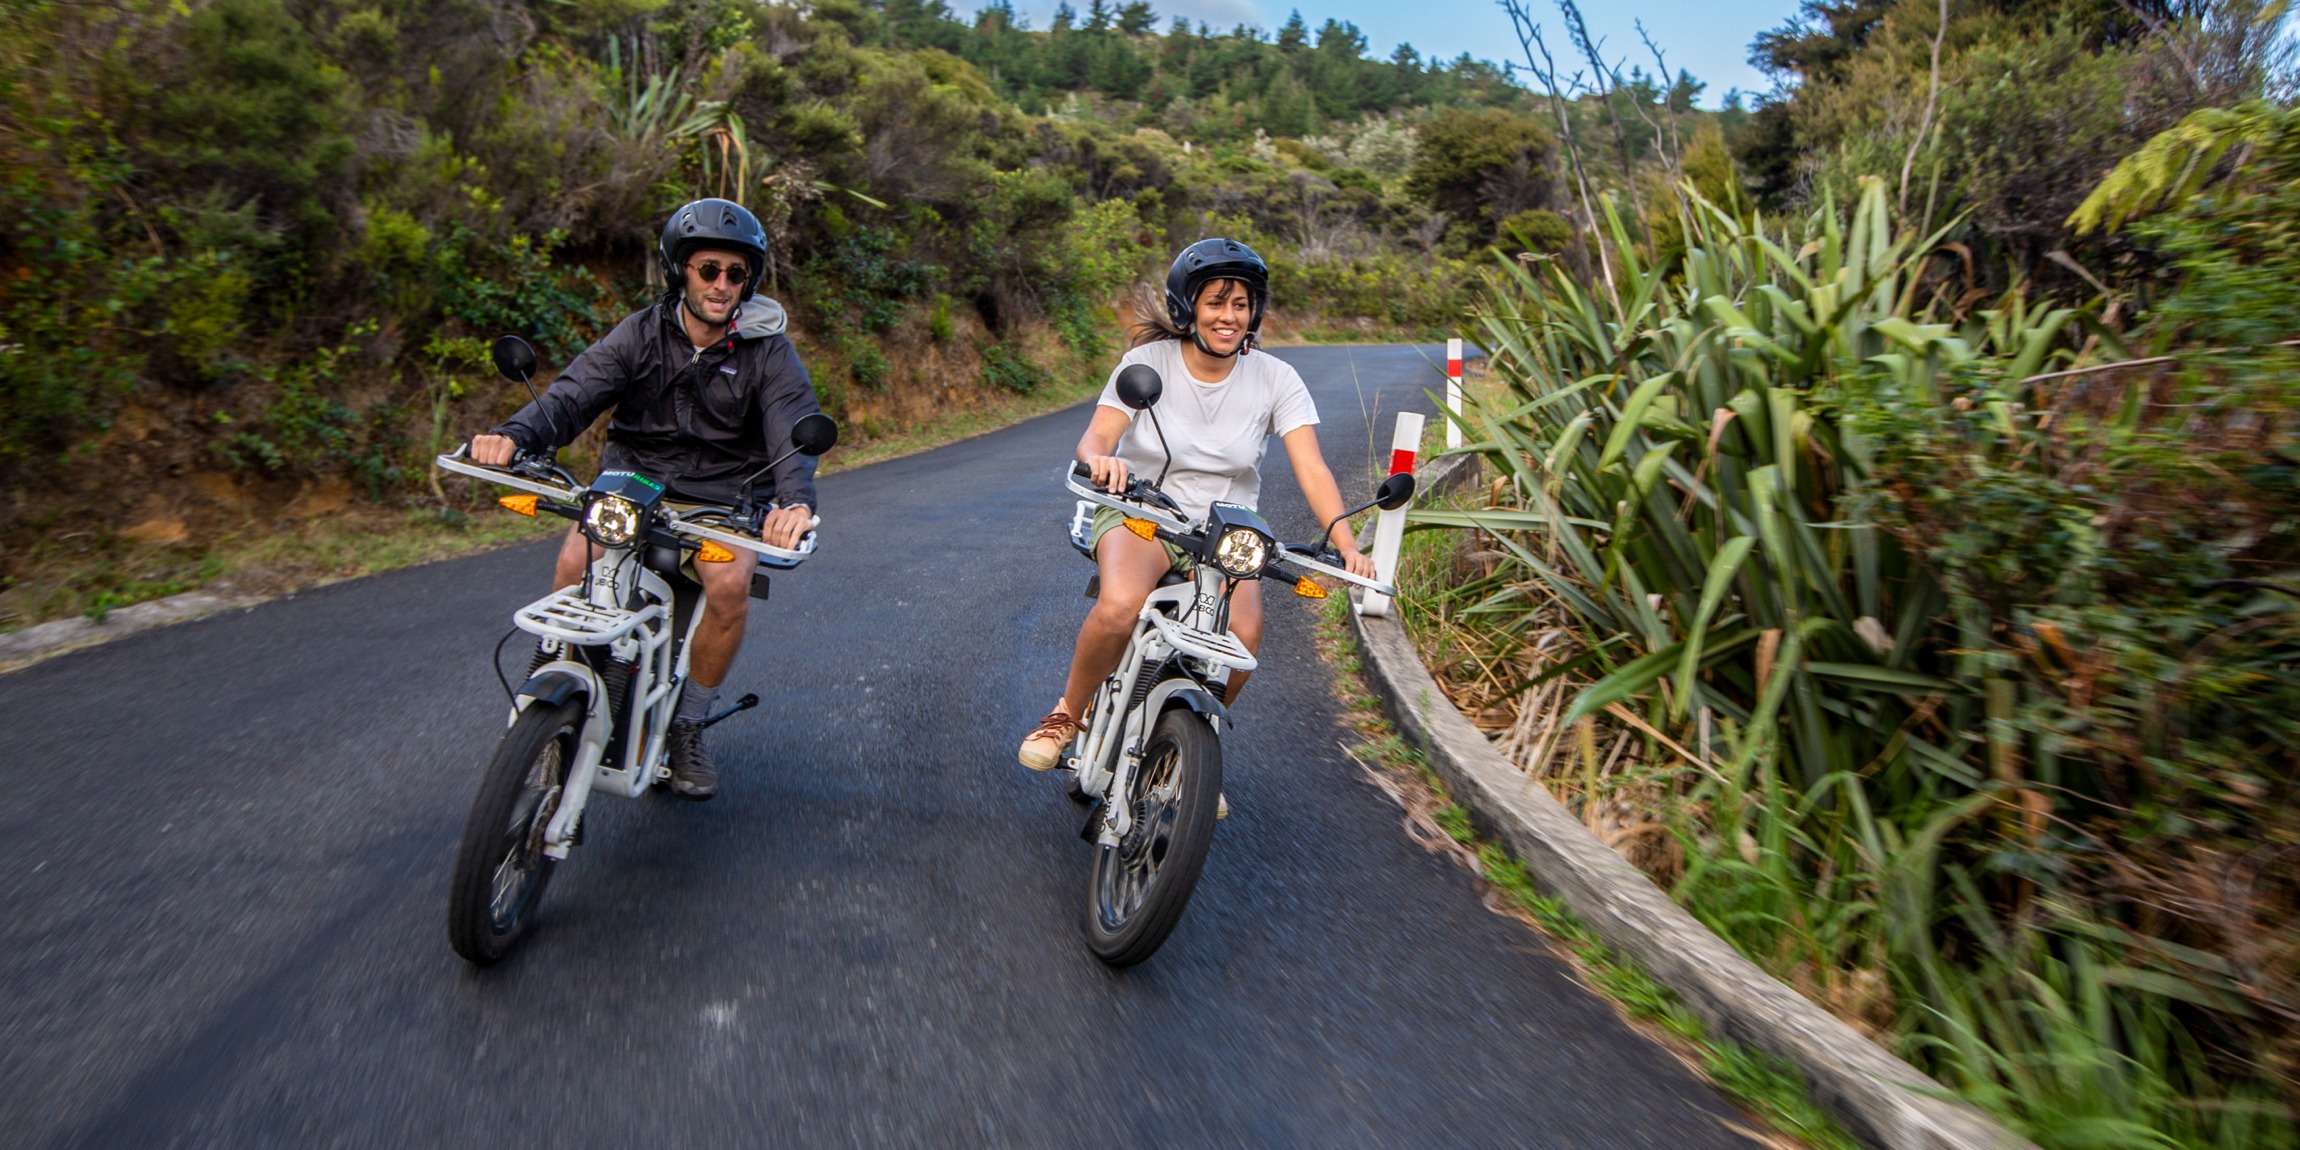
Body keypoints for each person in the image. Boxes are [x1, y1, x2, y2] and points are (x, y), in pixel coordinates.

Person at [471, 198, 822, 801]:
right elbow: (573, 396)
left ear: (749, 281)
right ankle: (549, 675)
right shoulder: (640, 333)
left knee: (730, 586)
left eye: (736, 274)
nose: (720, 285)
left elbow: (794, 425)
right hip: (631, 487)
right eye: (708, 269)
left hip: (722, 501)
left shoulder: (769, 351)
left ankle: (687, 726)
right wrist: (513, 434)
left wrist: (792, 501)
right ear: (679, 270)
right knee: (575, 562)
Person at [1017, 238, 1379, 793]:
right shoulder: (1146, 364)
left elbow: (1313, 468)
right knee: (1119, 606)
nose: (1229, 317)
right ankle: (1068, 713)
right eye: (1216, 303)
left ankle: (1184, 757)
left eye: (1241, 304)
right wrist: (1101, 462)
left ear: (1255, 311)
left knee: (1245, 635)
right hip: (1144, 512)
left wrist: (1347, 544)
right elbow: (1098, 436)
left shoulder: (1276, 378)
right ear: (1189, 306)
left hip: (1228, 532)